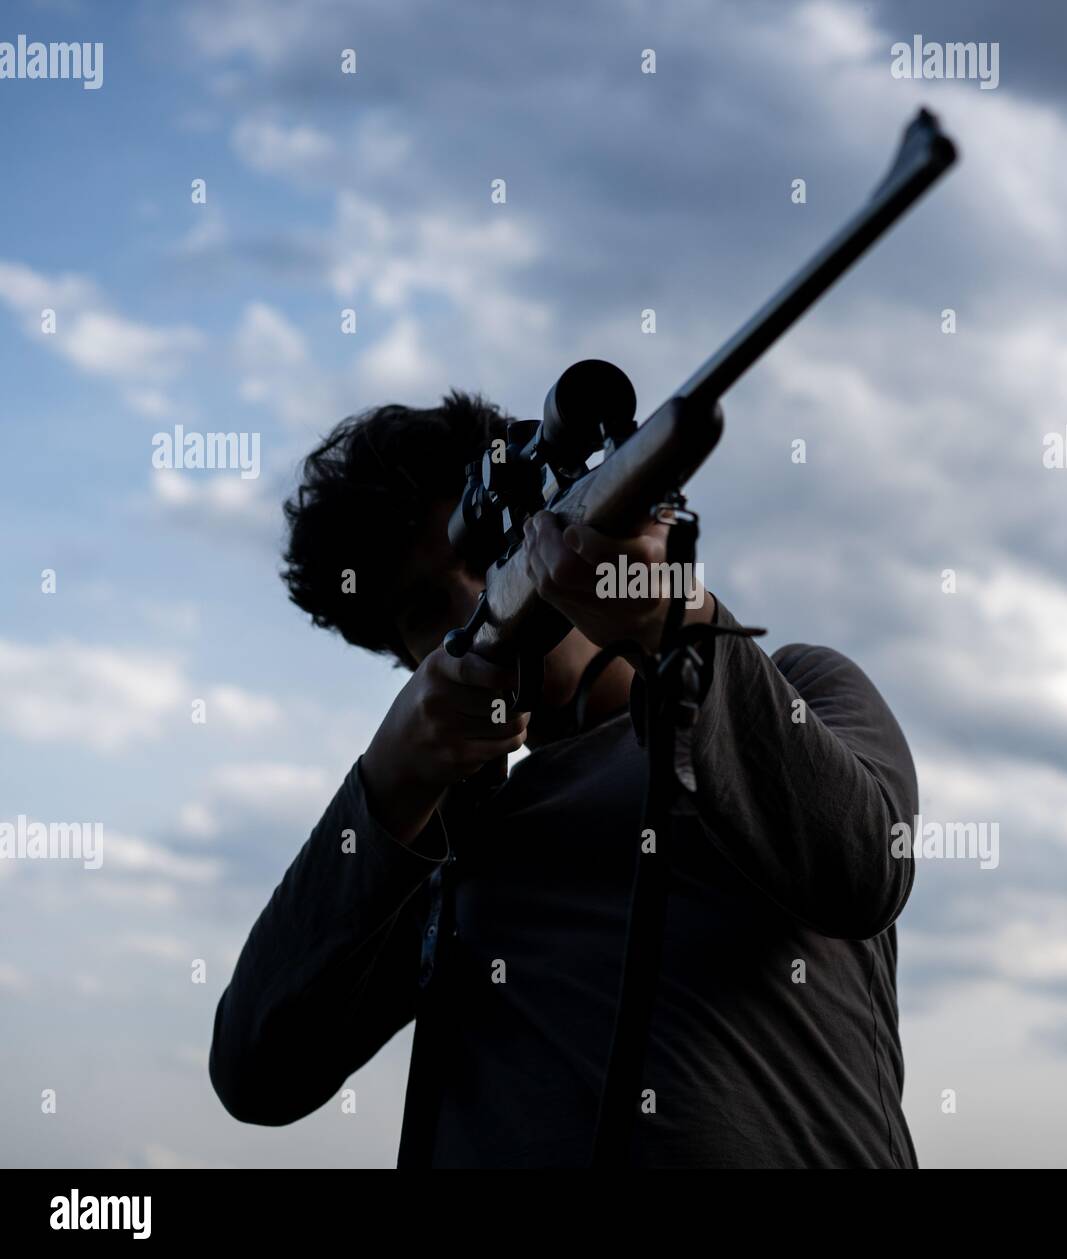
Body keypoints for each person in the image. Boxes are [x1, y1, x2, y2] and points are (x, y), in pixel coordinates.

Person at [208, 389, 921, 1168]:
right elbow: (259, 1073)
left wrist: (677, 620)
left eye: (488, 556)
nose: (473, 601)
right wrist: (394, 782)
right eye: (422, 608)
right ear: (405, 660)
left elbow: (863, 868)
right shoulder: (443, 838)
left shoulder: (798, 688)